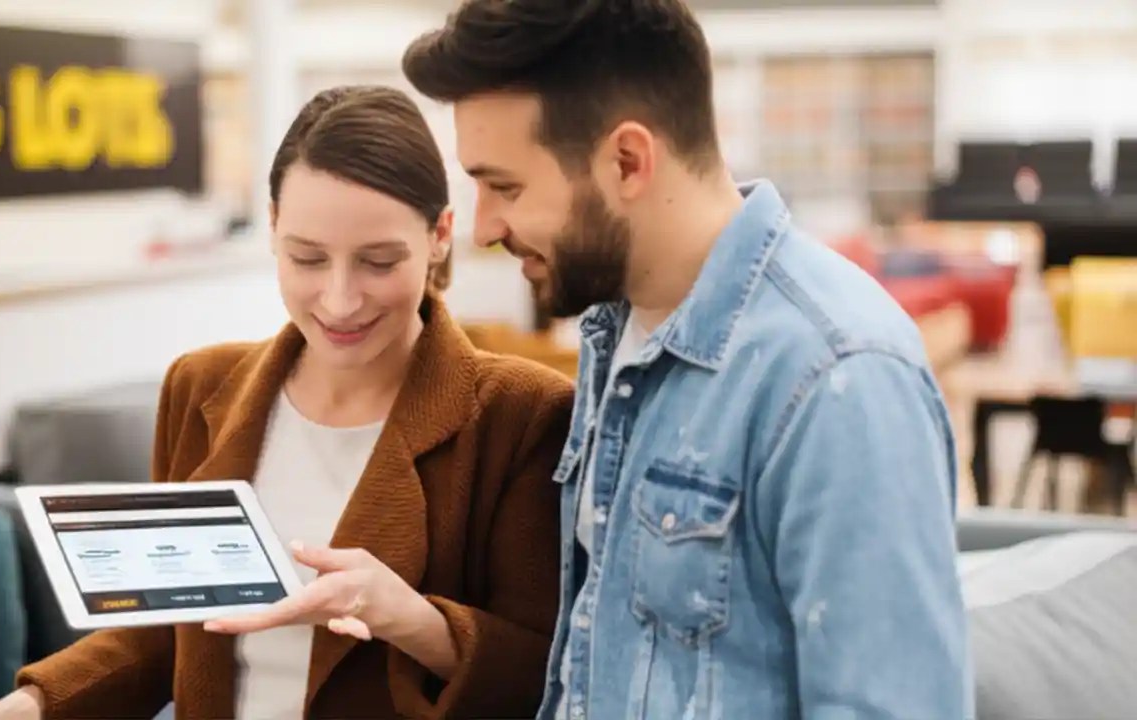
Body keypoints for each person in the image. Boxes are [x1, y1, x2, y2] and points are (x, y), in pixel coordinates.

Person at [402, 2, 973, 719]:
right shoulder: (618, 331)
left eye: (505, 186)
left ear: (628, 161)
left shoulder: (838, 376)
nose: (484, 227)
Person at [0, 85, 571, 720]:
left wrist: (410, 618)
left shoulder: (523, 413)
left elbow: (546, 674)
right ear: (273, 228)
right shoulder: (200, 387)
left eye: (378, 261)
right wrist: (35, 702)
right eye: (308, 258)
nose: (340, 301)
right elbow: (162, 633)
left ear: (441, 236)